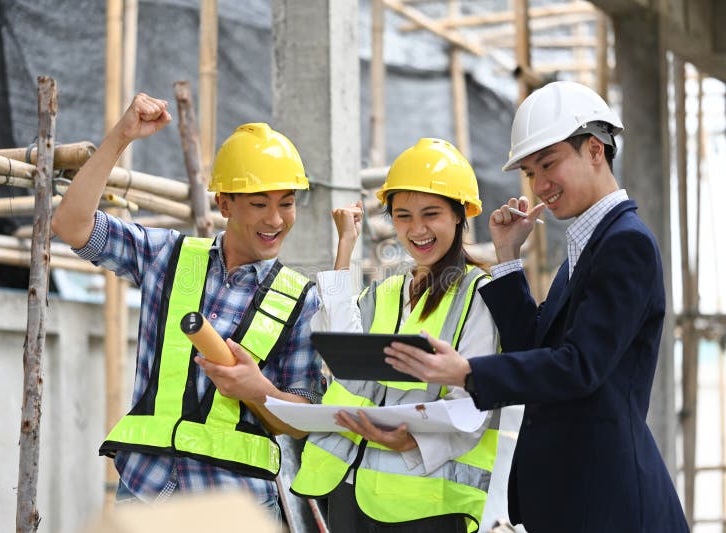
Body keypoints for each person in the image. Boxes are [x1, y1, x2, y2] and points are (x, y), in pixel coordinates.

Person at [383, 81, 689, 531]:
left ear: (594, 150)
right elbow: (534, 347)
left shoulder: (625, 244)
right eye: (529, 171)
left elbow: (579, 367)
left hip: (609, 500)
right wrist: (507, 256)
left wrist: (466, 373)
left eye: (549, 163)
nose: (540, 184)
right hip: (577, 495)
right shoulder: (588, 245)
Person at [51, 93, 325, 518]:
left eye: (286, 204)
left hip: (239, 506)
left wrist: (258, 391)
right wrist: (122, 137)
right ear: (224, 204)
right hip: (148, 488)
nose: (275, 219)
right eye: (259, 204)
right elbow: (71, 224)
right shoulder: (168, 256)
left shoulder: (301, 299)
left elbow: (304, 415)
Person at [291, 138, 501, 533]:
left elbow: (476, 403)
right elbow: (339, 347)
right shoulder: (389, 291)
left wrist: (413, 443)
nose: (416, 229)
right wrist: (346, 247)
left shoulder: (479, 295)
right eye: (402, 216)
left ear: (460, 215)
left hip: (423, 503)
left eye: (431, 213)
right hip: (350, 487)